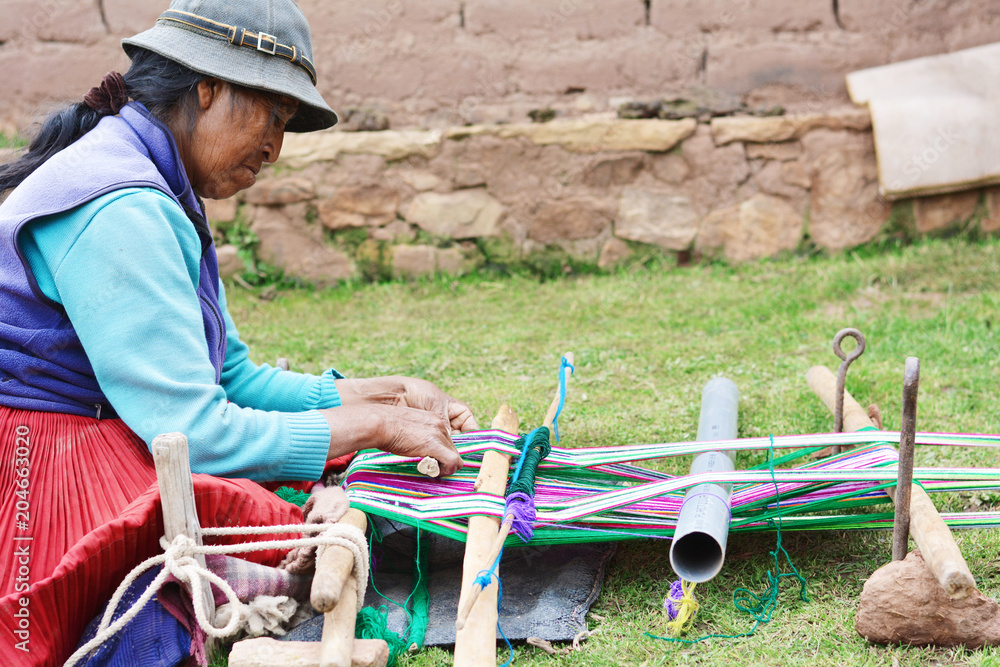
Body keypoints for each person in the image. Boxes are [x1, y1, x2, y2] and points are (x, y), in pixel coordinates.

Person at [0, 1, 476, 664]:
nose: (275, 149)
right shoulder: (122, 208)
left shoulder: (159, 187)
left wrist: (387, 396)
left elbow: (230, 379)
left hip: (89, 436)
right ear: (207, 88)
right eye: (271, 117)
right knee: (252, 539)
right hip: (32, 475)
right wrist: (377, 429)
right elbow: (197, 431)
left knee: (286, 505)